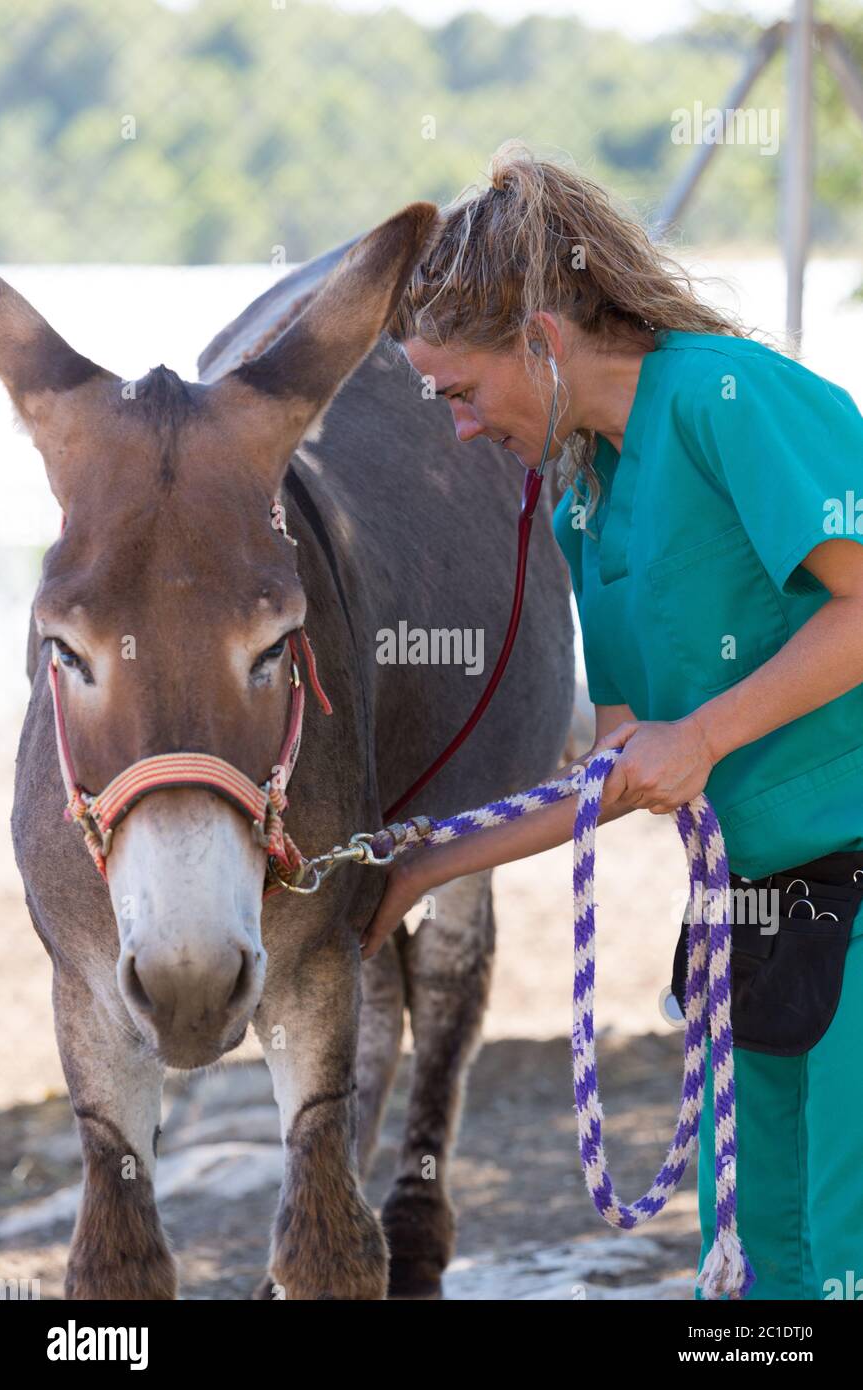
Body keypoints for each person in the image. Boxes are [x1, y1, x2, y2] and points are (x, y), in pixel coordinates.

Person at [360, 139, 863, 1301]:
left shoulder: (726, 400)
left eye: (459, 392)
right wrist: (419, 866)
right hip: (753, 920)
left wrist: (708, 735)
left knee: (841, 1261)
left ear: (537, 339)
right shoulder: (586, 499)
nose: (459, 429)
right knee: (743, 1279)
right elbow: (624, 766)